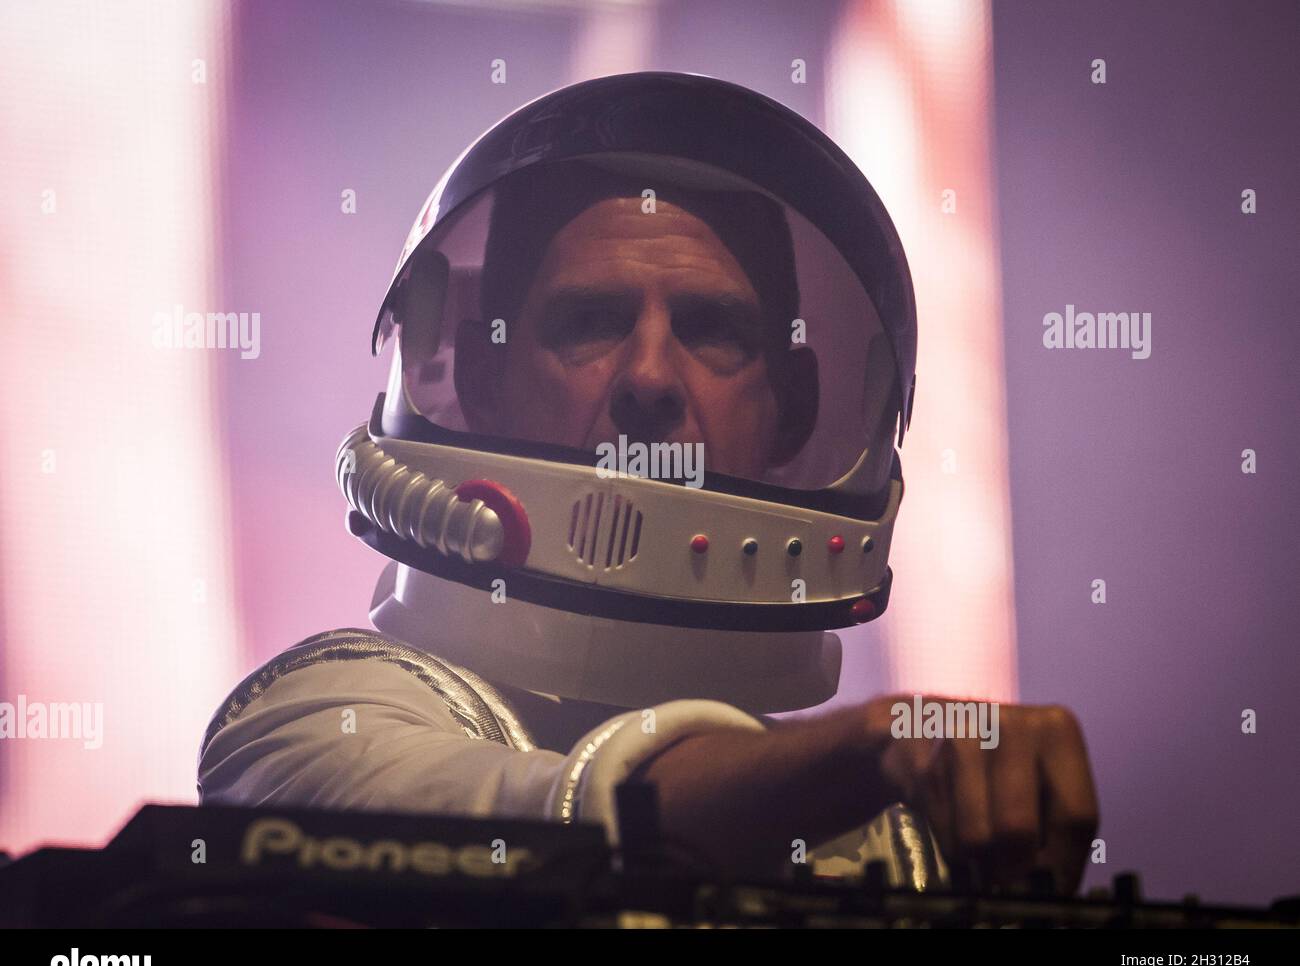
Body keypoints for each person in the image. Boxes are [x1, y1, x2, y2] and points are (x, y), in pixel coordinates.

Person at [198, 72, 1098, 895]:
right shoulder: (316, 724)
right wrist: (872, 750)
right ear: (479, 376)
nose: (652, 381)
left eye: (713, 331)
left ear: (791, 408)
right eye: (589, 322)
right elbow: (540, 830)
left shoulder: (894, 840)